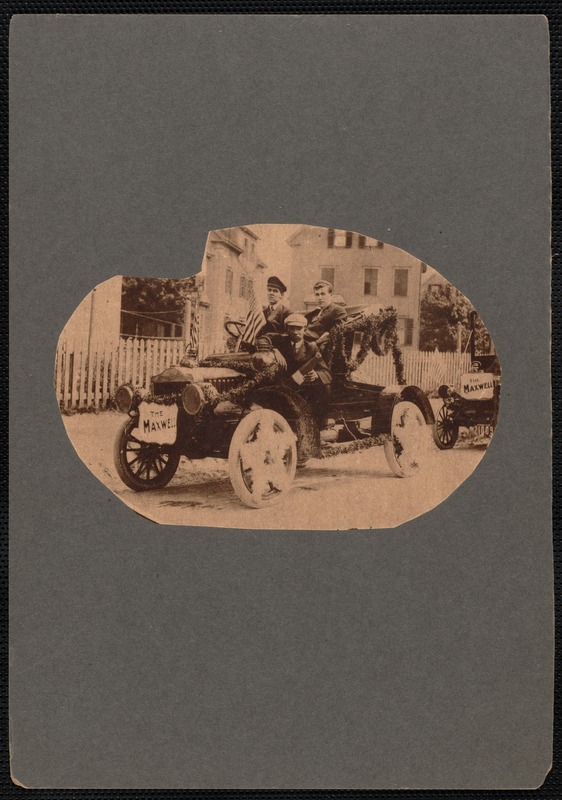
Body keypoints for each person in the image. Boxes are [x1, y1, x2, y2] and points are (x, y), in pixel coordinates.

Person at [260, 313, 332, 423]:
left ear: (305, 329)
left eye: (299, 328)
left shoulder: (311, 348)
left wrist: (316, 374)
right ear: (286, 329)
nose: (295, 332)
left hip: (304, 391)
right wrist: (274, 350)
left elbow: (326, 373)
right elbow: (262, 339)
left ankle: (318, 423)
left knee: (325, 388)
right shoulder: (280, 341)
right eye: (291, 328)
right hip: (281, 388)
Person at [304, 280, 347, 347]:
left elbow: (334, 333)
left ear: (331, 295)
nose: (320, 298)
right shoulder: (316, 312)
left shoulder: (337, 310)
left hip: (315, 348)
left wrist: (316, 343)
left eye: (323, 294)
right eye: (317, 294)